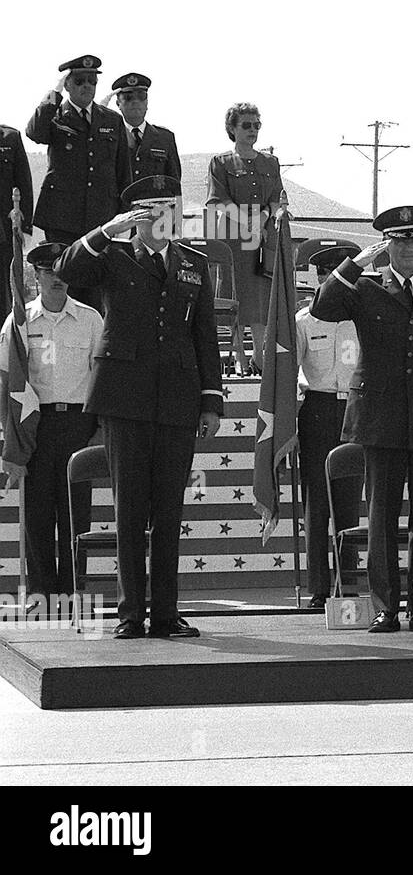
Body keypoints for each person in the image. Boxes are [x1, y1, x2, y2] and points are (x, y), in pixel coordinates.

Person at [53, 175, 223, 639]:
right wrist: (108, 229)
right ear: (136, 217)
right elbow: (67, 269)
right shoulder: (111, 256)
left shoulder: (193, 263)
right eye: (153, 210)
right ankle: (131, 614)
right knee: (129, 509)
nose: (164, 218)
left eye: (171, 208)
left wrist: (210, 401)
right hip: (124, 397)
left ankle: (166, 613)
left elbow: (204, 334)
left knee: (169, 510)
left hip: (177, 398)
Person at [310, 205, 413, 633]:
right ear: (389, 247)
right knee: (381, 519)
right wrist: (358, 262)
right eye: (400, 242)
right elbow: (323, 307)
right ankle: (386, 607)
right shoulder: (364, 288)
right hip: (380, 420)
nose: (410, 249)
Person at [0, 242, 102, 611]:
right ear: (36, 277)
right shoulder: (20, 321)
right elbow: (7, 379)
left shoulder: (91, 318)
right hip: (36, 425)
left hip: (78, 424)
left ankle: (74, 593)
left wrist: (99, 426)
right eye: (48, 272)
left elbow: (102, 376)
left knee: (76, 515)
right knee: (38, 516)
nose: (57, 279)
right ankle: (43, 594)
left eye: (63, 271)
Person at [26, 55, 132, 312]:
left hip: (100, 217)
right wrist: (54, 92)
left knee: (96, 290)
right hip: (62, 219)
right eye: (80, 81)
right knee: (66, 282)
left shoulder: (111, 120)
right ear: (68, 85)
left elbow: (122, 173)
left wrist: (123, 217)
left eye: (92, 81)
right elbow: (34, 132)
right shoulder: (55, 115)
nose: (87, 86)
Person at [296, 240, 362, 609]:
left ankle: (347, 586)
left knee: (349, 507)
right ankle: (319, 588)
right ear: (321, 279)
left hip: (354, 412)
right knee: (317, 506)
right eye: (330, 277)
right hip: (318, 412)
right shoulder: (304, 322)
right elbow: (286, 374)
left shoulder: (363, 317)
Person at [205, 102, 287, 376]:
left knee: (261, 299)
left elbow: (277, 198)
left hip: (262, 238)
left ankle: (260, 357)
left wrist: (263, 217)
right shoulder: (221, 162)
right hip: (232, 237)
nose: (252, 130)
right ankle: (240, 357)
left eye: (256, 125)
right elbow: (217, 201)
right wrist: (246, 221)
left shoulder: (270, 162)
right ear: (232, 128)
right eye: (246, 125)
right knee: (236, 297)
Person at [110, 73, 182, 185]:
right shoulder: (111, 138)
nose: (135, 101)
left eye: (141, 96)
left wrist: (178, 202)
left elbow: (174, 183)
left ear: (147, 102)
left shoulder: (165, 138)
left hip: (153, 201)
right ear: (118, 103)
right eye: (128, 97)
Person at [0, 121, 34, 321]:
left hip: (3, 234)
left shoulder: (10, 138)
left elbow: (24, 183)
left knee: (4, 296)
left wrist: (26, 228)